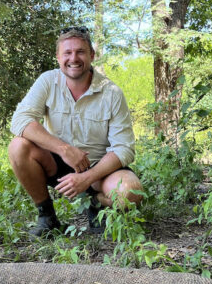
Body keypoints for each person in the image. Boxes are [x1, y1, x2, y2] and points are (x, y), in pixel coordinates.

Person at [9, 27, 143, 236]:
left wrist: (87, 177)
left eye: (80, 52)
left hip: (100, 169)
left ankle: (95, 202)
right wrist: (63, 149)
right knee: (18, 145)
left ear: (92, 55)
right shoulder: (47, 81)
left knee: (130, 193)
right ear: (58, 57)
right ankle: (47, 217)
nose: (74, 58)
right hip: (58, 165)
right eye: (67, 53)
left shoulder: (112, 93)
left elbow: (124, 149)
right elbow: (20, 120)